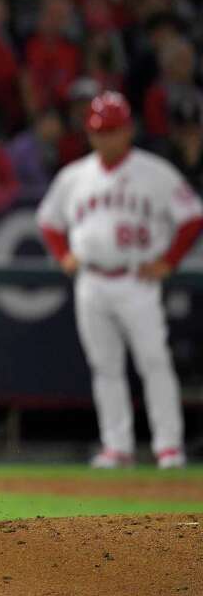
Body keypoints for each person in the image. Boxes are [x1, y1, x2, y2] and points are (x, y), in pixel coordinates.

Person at [37, 92, 203, 469]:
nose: (105, 138)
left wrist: (169, 261)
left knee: (154, 361)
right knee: (105, 367)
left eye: (112, 129)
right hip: (92, 281)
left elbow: (193, 216)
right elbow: (48, 220)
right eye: (99, 130)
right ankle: (117, 446)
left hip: (136, 280)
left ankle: (168, 447)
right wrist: (63, 254)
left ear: (128, 130)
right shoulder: (75, 176)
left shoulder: (155, 172)